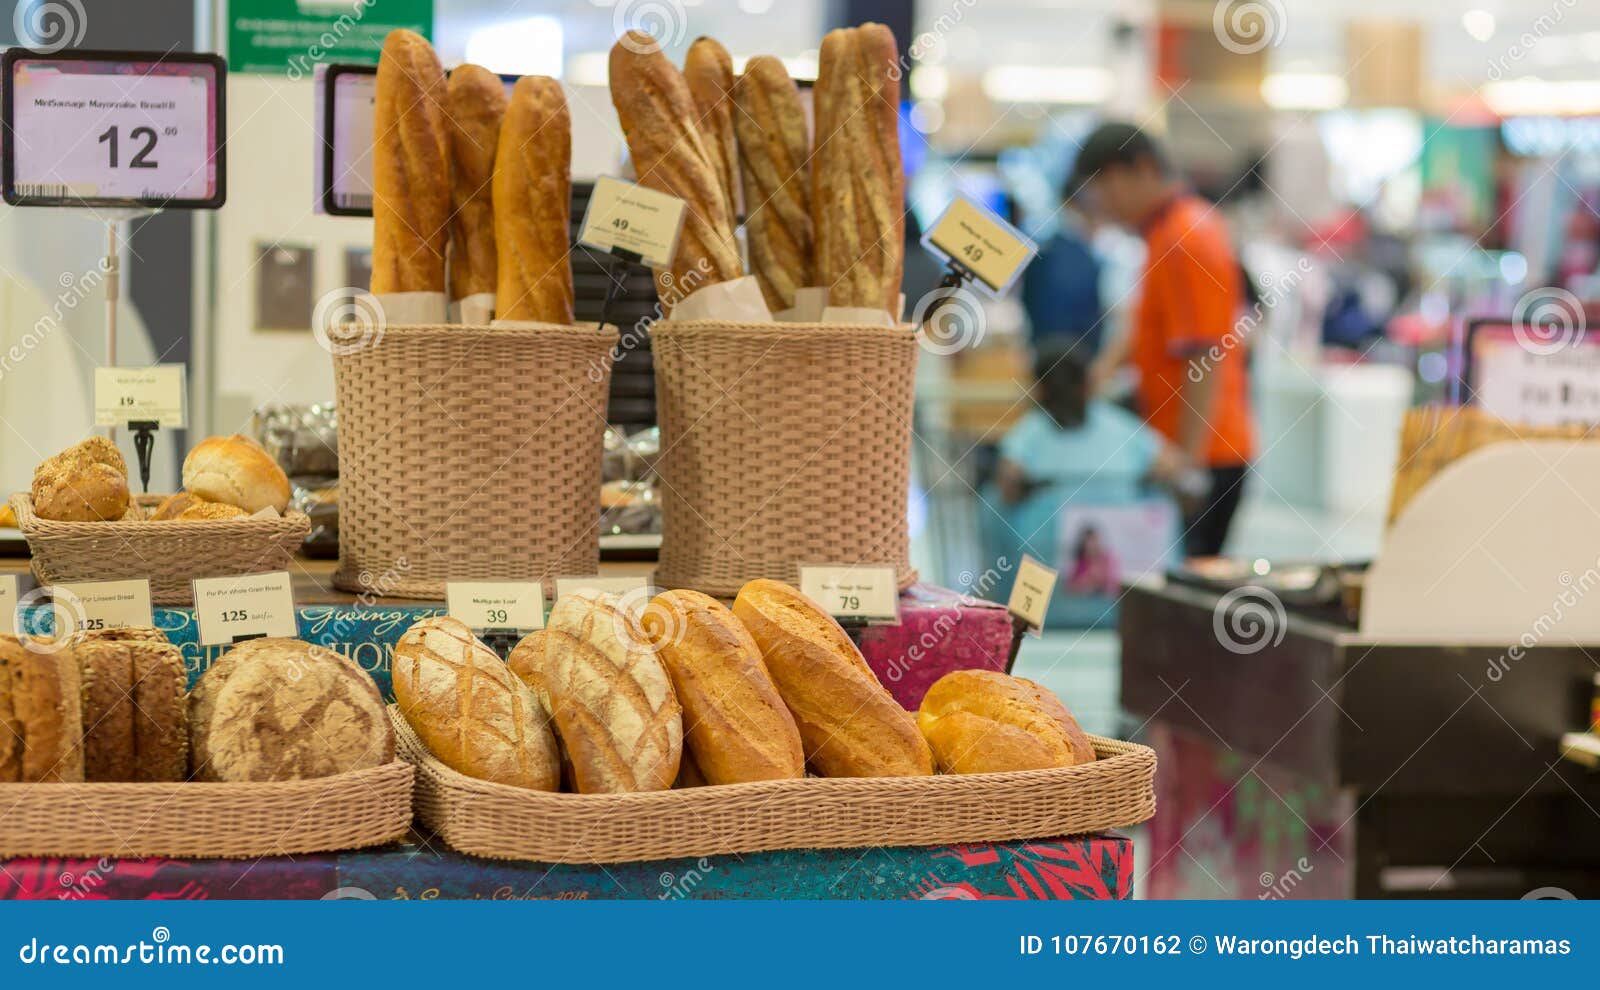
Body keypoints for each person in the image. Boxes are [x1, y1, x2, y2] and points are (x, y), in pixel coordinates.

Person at [1071, 122, 1256, 558]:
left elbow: (1204, 354)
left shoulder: (1185, 237)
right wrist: (1101, 372)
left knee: (1187, 599)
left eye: (1106, 188)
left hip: (1205, 453)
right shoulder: (1165, 232)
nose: (1104, 205)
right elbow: (1144, 324)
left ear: (1142, 169)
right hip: (1184, 447)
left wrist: (1187, 465)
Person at [995, 349, 1187, 508]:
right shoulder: (1030, 430)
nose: (1066, 396)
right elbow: (1008, 482)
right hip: (1047, 546)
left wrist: (1164, 473)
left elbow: (1172, 464)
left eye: (1070, 385)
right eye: (1058, 388)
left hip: (1120, 542)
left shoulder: (1119, 425)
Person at [1020, 190, 1104, 356]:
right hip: (1078, 351)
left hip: (1045, 346)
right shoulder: (1083, 255)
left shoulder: (1046, 251)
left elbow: (1027, 297)